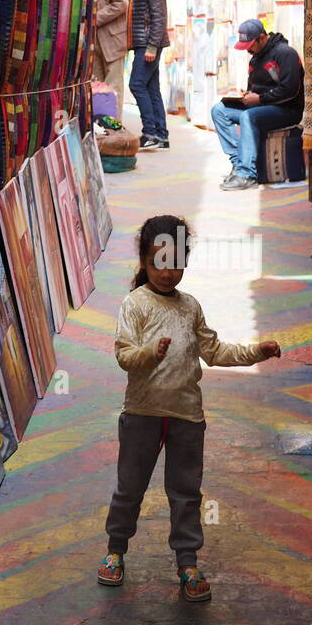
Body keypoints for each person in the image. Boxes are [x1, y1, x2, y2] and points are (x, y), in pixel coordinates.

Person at [97, 215, 281, 602]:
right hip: (142, 415)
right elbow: (124, 356)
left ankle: (187, 562)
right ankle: (116, 551)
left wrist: (254, 352)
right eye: (158, 262)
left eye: (175, 262)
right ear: (145, 261)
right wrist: (151, 352)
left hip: (186, 418)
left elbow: (214, 351)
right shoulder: (135, 304)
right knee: (129, 488)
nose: (167, 272)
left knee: (186, 493)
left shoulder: (190, 307)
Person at [211, 19, 304, 191]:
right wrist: (247, 96)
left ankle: (247, 175)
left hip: (286, 110)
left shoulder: (285, 54)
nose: (248, 49)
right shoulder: (255, 60)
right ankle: (239, 165)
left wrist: (260, 99)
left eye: (251, 45)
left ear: (262, 38)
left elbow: (290, 90)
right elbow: (254, 88)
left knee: (248, 116)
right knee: (219, 110)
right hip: (261, 107)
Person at [125, 0, 170, 151]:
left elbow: (158, 17)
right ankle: (161, 134)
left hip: (148, 44)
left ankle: (150, 132)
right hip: (146, 42)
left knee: (136, 84)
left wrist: (151, 47)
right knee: (151, 88)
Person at [93, 0, 129, 116]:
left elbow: (121, 3)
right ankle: (101, 128)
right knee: (97, 88)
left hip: (113, 41)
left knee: (114, 89)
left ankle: (114, 130)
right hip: (95, 43)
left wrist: (95, 19)